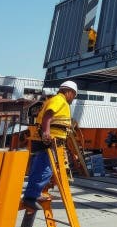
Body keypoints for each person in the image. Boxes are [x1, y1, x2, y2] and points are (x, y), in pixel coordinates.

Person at [21, 81, 78, 210]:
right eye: (73, 95)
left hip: (44, 139)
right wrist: (47, 132)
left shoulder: (54, 100)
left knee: (39, 168)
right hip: (48, 139)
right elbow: (48, 115)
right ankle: (30, 197)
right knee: (45, 169)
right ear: (69, 92)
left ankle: (34, 193)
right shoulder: (60, 100)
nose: (73, 99)